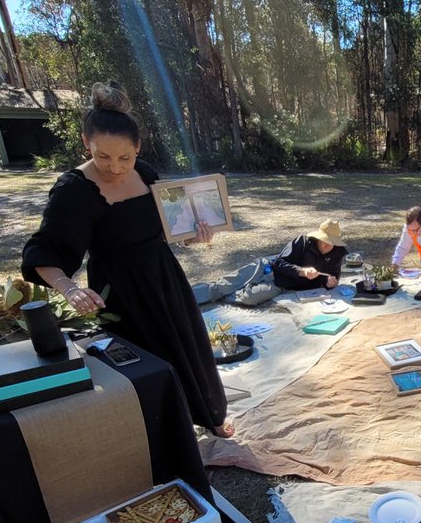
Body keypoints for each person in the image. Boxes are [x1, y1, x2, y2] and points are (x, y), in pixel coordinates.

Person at [22, 82, 232, 437]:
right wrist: (69, 288)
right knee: (146, 361)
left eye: (125, 157)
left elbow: (166, 229)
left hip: (164, 276)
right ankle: (164, 434)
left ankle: (208, 416)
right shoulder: (74, 190)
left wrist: (194, 235)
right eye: (102, 156)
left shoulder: (146, 174)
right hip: (119, 291)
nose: (115, 167)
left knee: (188, 346)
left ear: (138, 147)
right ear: (86, 143)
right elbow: (42, 252)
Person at [271, 220, 347, 291]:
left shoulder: (337, 252)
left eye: (332, 243)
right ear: (319, 238)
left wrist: (329, 283)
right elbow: (278, 263)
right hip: (283, 286)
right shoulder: (303, 242)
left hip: (312, 292)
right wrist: (301, 271)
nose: (328, 246)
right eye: (325, 241)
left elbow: (333, 276)